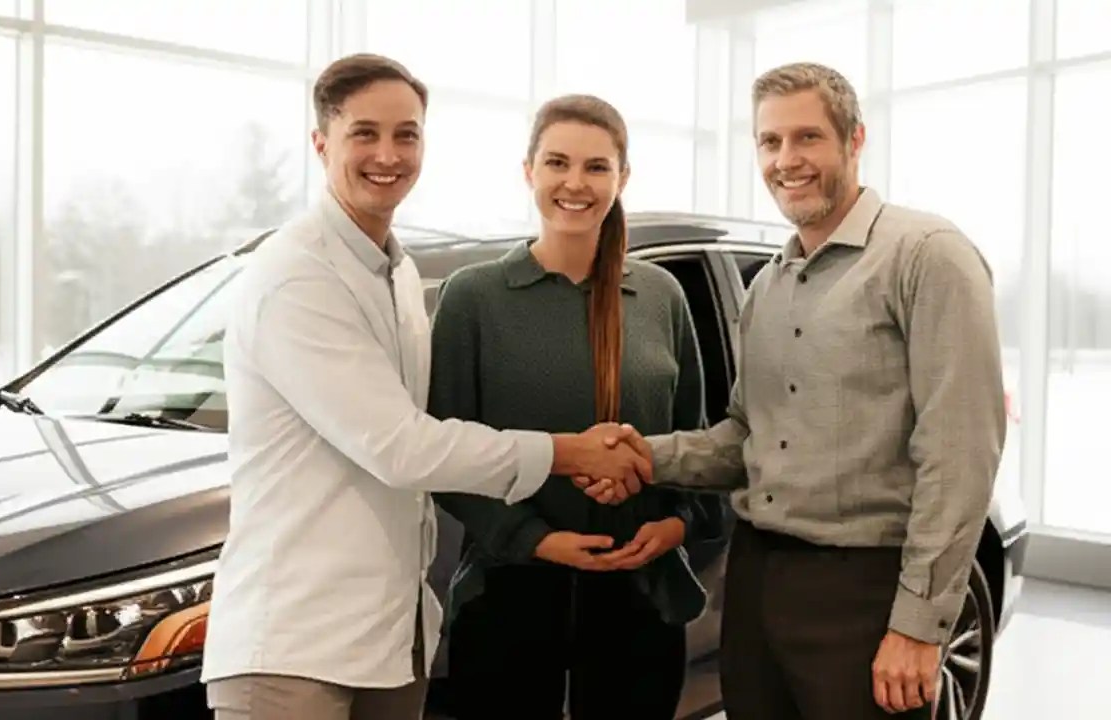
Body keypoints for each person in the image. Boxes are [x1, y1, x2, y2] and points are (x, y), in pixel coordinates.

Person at [199, 54, 652, 720]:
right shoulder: (298, 277)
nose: (388, 154)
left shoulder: (397, 273)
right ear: (322, 143)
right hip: (295, 645)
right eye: (365, 134)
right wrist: (571, 453)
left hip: (391, 635)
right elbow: (404, 447)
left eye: (406, 134)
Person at [586, 61, 1006, 719]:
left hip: (864, 584)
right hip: (754, 581)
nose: (787, 160)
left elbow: (959, 456)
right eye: (770, 142)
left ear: (854, 140)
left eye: (807, 137)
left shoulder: (927, 255)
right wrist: (645, 455)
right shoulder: (769, 288)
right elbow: (744, 439)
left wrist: (920, 624)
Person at [427, 94, 727, 720]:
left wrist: (677, 523)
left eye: (597, 167)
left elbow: (696, 445)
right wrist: (536, 540)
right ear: (528, 170)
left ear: (622, 178)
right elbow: (445, 456)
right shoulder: (473, 299)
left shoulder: (659, 296)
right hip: (509, 592)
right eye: (557, 162)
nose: (575, 183)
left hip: (642, 594)